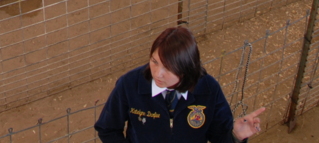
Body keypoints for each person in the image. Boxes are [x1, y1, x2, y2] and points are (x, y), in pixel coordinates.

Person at [95, 26, 265, 143]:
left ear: (186, 69)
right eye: (154, 61)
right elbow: (107, 128)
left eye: (168, 68)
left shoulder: (208, 89)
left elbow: (219, 136)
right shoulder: (130, 84)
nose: (157, 73)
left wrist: (235, 135)